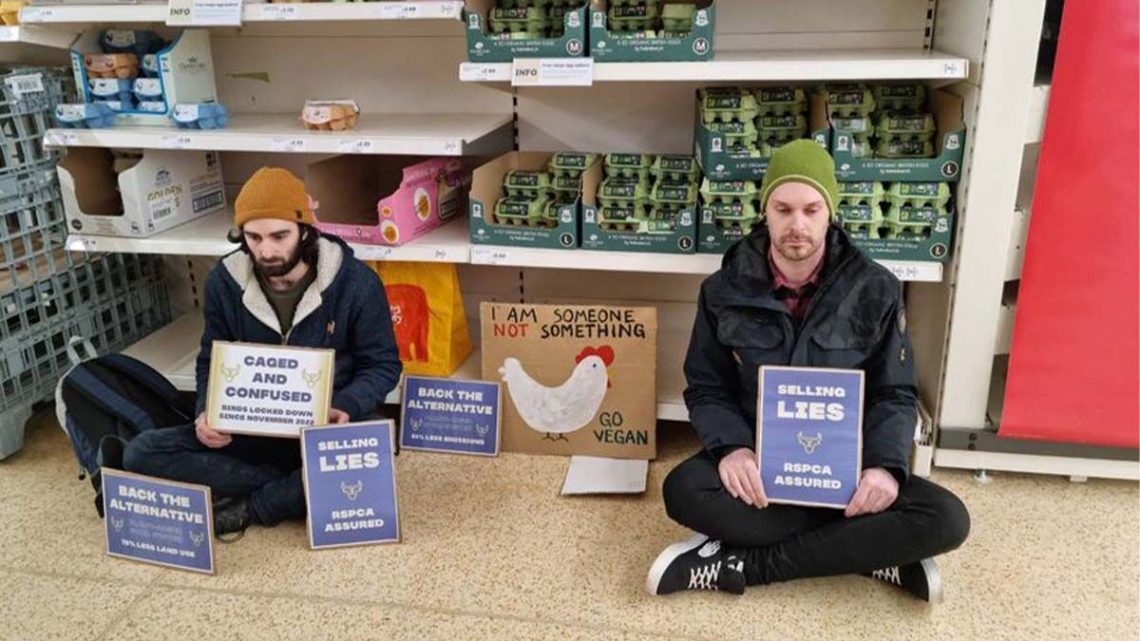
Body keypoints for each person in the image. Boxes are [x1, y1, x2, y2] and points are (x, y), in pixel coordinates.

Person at [645, 140, 970, 602]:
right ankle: (866, 550)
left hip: (846, 469)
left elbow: (894, 394)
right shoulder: (722, 290)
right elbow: (706, 387)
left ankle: (741, 566)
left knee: (946, 518)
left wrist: (883, 469)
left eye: (811, 210)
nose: (797, 225)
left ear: (829, 213)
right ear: (766, 212)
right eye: (783, 209)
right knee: (683, 489)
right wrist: (733, 450)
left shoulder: (876, 289)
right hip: (764, 467)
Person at [124, 167, 402, 537]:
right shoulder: (224, 281)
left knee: (371, 452)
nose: (266, 250)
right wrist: (206, 412)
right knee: (140, 452)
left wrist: (347, 404)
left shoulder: (356, 283)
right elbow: (211, 356)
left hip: (324, 427)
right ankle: (289, 488)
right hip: (251, 428)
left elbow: (383, 365)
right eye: (253, 237)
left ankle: (251, 506)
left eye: (279, 235)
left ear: (306, 230)